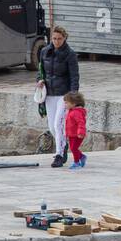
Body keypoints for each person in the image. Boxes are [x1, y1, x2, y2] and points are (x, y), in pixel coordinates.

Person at [40, 26, 80, 168]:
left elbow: (74, 77)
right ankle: (63, 146)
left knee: (58, 124)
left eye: (59, 39)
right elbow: (41, 71)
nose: (56, 41)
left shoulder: (70, 55)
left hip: (64, 95)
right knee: (52, 127)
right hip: (49, 94)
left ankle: (58, 155)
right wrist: (39, 80)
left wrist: (73, 97)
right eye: (54, 39)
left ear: (65, 38)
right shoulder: (45, 52)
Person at [64, 91, 88, 169]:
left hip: (77, 134)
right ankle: (82, 156)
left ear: (73, 103)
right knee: (73, 148)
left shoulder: (76, 113)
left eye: (66, 103)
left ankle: (76, 162)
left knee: (74, 148)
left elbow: (81, 123)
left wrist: (81, 132)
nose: (65, 105)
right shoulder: (72, 111)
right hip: (71, 134)